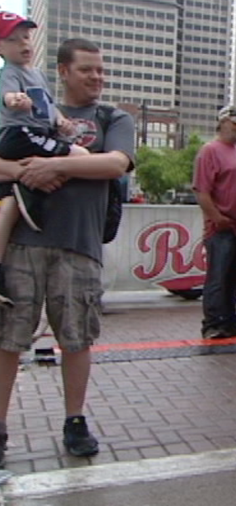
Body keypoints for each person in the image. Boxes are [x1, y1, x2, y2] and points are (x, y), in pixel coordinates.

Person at [0, 38, 135, 466]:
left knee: (76, 339)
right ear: (62, 71)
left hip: (81, 244)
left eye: (100, 69)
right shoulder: (32, 112)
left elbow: (115, 164)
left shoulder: (114, 117)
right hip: (23, 241)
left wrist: (53, 165)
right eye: (86, 70)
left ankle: (75, 420)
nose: (96, 77)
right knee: (7, 339)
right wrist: (24, 171)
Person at [0, 12, 91, 306]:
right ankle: (33, 185)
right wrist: (15, 100)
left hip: (35, 134)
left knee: (9, 207)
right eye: (12, 40)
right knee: (81, 156)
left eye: (25, 37)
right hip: (19, 134)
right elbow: (9, 97)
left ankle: (27, 189)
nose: (22, 45)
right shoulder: (9, 73)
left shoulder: (37, 74)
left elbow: (48, 107)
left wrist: (62, 121)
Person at [193, 105, 236, 339]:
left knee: (233, 279)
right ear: (222, 122)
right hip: (223, 227)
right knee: (218, 278)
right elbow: (202, 190)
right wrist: (217, 217)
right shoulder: (209, 151)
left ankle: (230, 321)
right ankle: (212, 323)